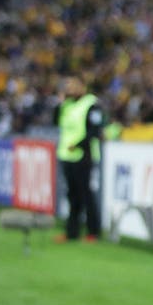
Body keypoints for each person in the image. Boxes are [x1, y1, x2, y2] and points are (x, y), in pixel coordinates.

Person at [54, 76, 105, 243]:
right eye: (67, 86)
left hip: (84, 155)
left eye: (73, 85)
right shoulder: (67, 105)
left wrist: (78, 145)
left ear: (83, 86)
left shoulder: (91, 104)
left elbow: (95, 131)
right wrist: (59, 103)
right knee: (72, 195)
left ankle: (93, 231)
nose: (69, 89)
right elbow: (56, 122)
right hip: (67, 156)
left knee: (86, 195)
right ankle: (71, 231)